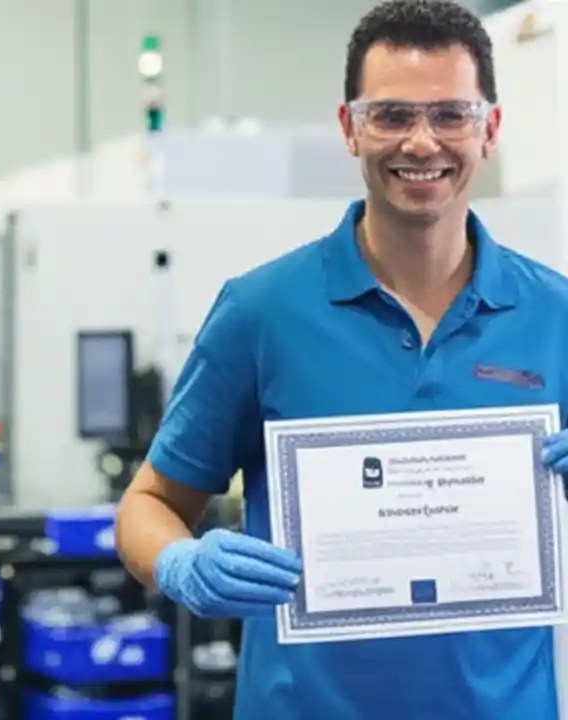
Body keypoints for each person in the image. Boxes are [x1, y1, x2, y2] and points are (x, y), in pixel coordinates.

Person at [115, 1, 568, 717]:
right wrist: (180, 563)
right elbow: (148, 504)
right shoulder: (261, 312)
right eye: (391, 115)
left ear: (490, 129)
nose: (422, 143)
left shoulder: (557, 316)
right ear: (349, 128)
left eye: (451, 114)